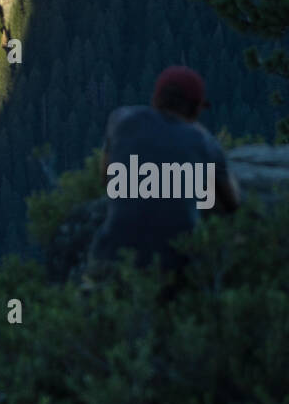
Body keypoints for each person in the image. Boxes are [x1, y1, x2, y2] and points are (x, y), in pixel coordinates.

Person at [85, 66, 240, 284]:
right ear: (195, 109)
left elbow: (106, 178)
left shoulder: (120, 120)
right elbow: (232, 203)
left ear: (155, 98)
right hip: (175, 268)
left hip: (111, 257)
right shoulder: (205, 143)